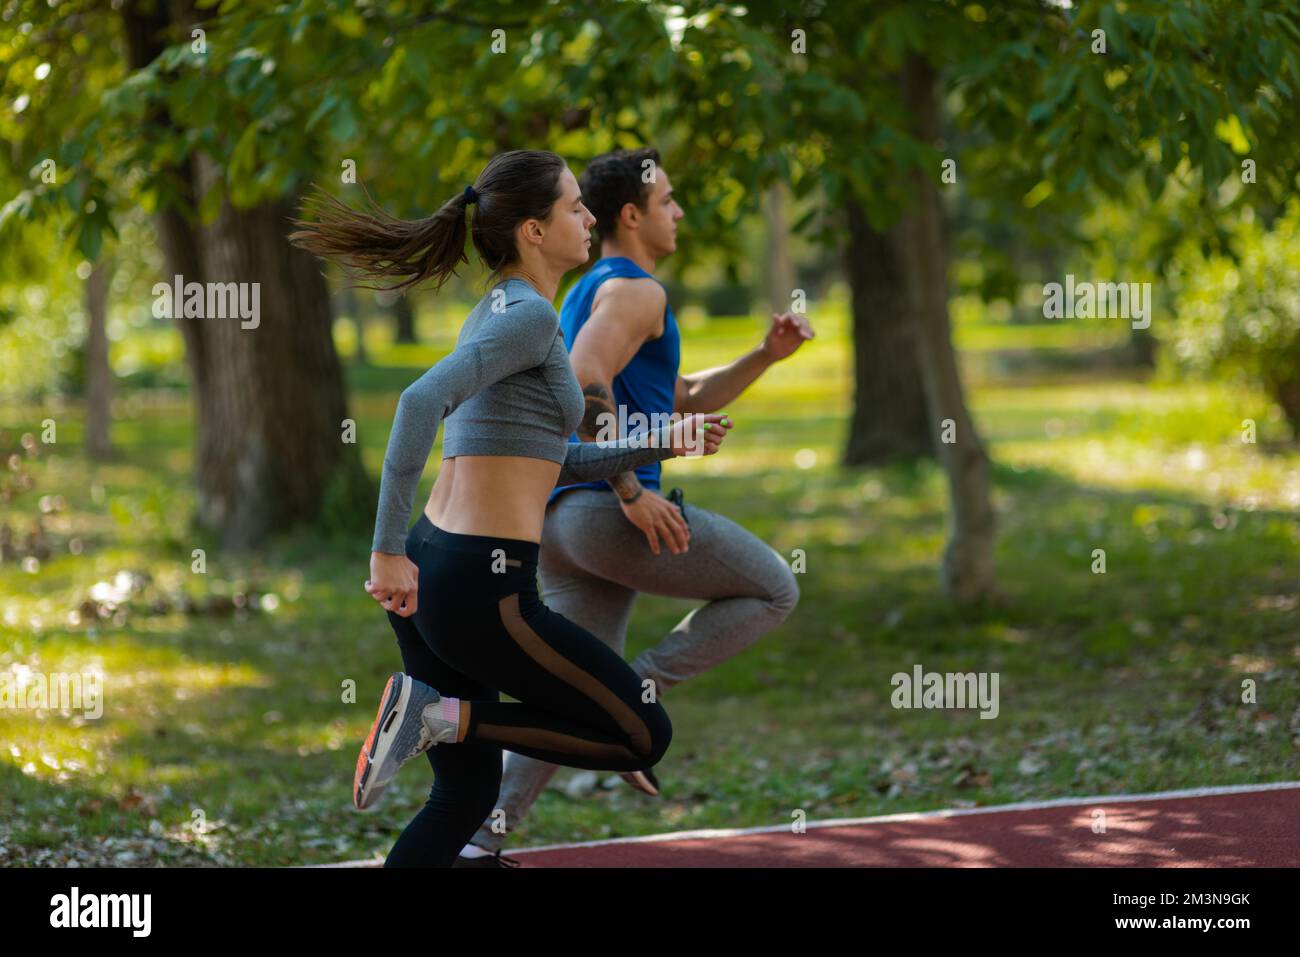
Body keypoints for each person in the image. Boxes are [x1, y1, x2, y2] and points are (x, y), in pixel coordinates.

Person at [287, 149, 734, 868]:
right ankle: (435, 718)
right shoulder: (526, 317)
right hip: (478, 588)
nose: (588, 216)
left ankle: (435, 722)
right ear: (532, 230)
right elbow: (417, 401)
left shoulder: (502, 312)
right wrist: (381, 550)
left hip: (440, 565)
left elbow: (550, 462)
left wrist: (661, 442)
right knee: (640, 734)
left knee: (463, 801)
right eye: (571, 207)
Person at [457, 146, 812, 866]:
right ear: (632, 214)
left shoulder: (599, 287)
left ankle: (476, 840)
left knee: (565, 701)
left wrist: (764, 356)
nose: (679, 212)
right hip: (602, 508)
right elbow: (585, 382)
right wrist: (630, 490)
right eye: (670, 200)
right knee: (775, 586)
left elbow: (679, 396)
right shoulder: (636, 292)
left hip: (559, 520)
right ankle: (634, 693)